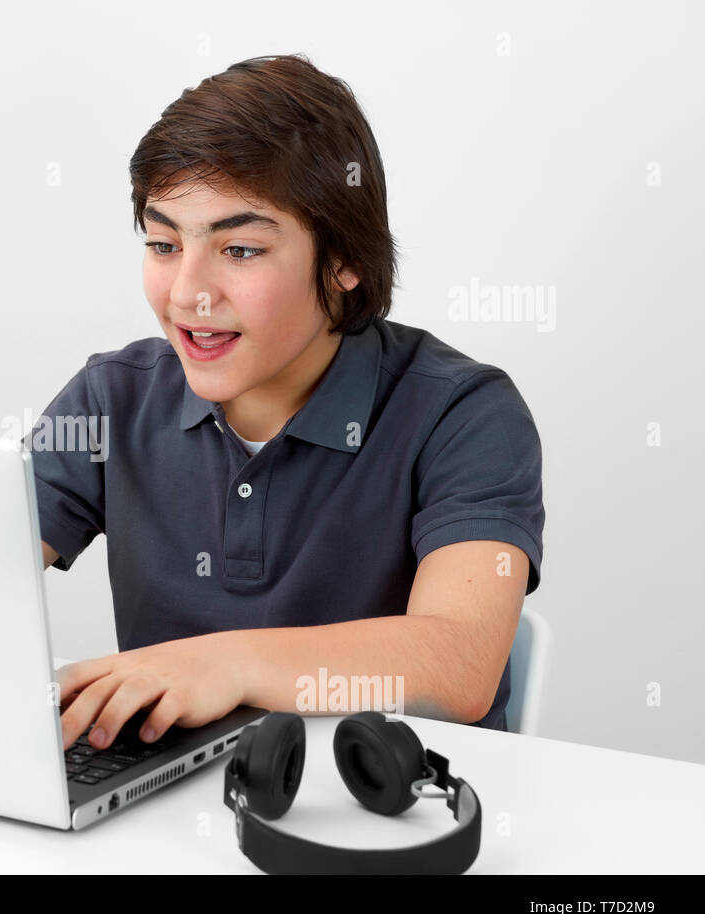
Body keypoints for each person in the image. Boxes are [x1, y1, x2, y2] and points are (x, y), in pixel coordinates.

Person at [26, 54, 545, 751]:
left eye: (239, 249)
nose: (187, 293)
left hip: (386, 819)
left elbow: (461, 663)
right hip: (167, 817)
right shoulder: (110, 398)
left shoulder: (464, 414)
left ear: (344, 263)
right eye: (162, 243)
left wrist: (227, 662)